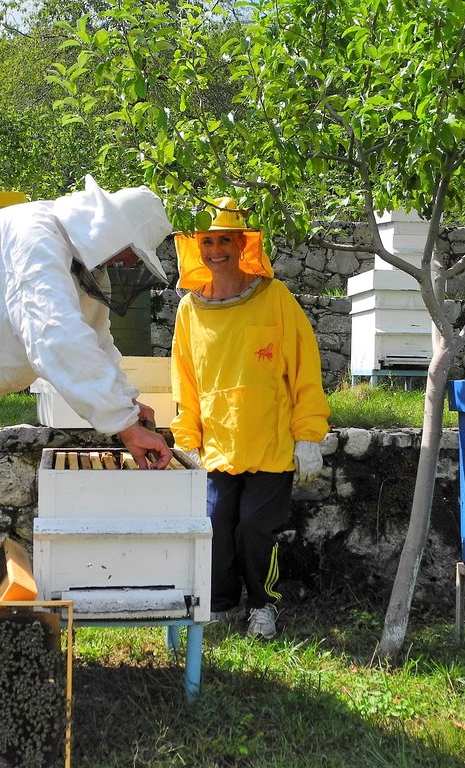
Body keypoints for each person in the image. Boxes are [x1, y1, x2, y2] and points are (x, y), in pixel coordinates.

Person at [0, 175, 174, 637]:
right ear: (107, 229)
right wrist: (123, 426)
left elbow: (95, 341)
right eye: (129, 250)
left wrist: (128, 403)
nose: (125, 262)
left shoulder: (77, 262)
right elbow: (54, 336)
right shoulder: (36, 236)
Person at [170, 198, 330, 640]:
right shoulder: (188, 310)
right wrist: (186, 436)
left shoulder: (275, 298)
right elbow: (183, 379)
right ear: (196, 247)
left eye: (225, 239)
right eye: (208, 240)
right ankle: (220, 604)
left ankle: (264, 605)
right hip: (217, 444)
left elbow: (304, 368)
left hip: (272, 442)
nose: (216, 249)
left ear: (243, 244)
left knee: (255, 527)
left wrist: (309, 435)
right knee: (217, 526)